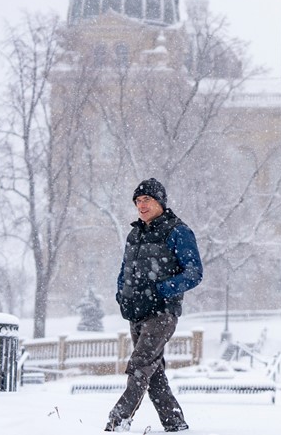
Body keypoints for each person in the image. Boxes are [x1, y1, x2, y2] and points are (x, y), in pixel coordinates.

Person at [105, 178, 203, 433]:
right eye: (137, 201)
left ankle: (117, 422)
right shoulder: (134, 234)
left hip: (162, 313)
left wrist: (161, 290)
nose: (141, 205)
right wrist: (122, 294)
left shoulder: (178, 232)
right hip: (135, 312)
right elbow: (125, 269)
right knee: (154, 373)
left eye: (146, 199)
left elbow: (194, 273)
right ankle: (175, 423)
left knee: (140, 365)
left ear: (160, 202)